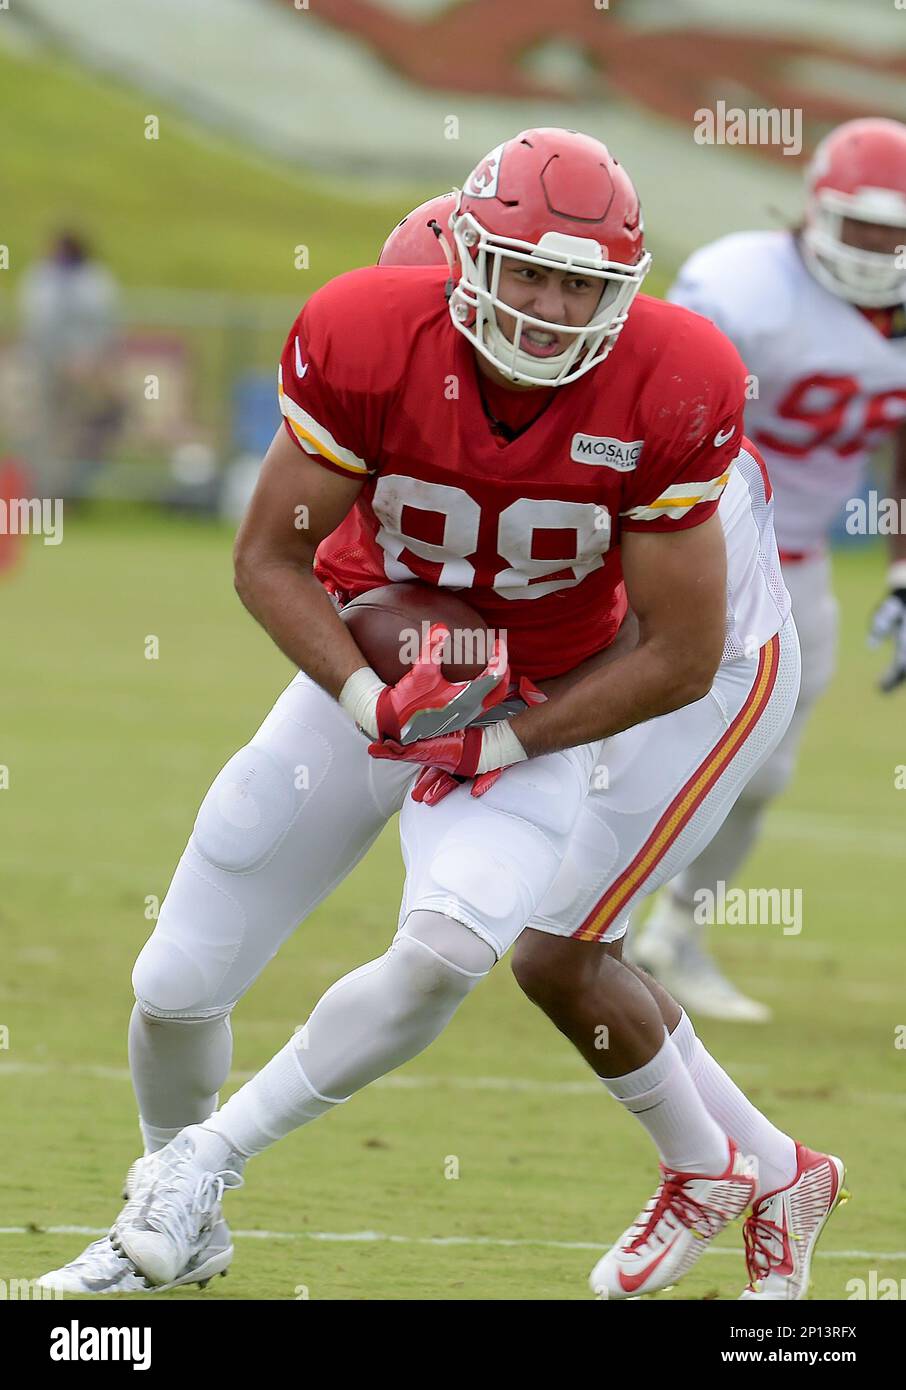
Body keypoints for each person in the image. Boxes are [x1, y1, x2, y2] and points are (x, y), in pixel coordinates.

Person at [39, 129, 839, 1301]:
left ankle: (196, 1170)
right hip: (367, 681)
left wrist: (508, 732)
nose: (547, 313)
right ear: (453, 271)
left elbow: (680, 649)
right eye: (524, 276)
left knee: (470, 949)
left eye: (577, 284)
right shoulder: (369, 337)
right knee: (173, 982)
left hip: (542, 699)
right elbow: (272, 555)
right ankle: (181, 1200)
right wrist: (372, 691)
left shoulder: (673, 384)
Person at [631, 117, 906, 1022]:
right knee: (618, 743)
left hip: (803, 565)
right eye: (862, 225)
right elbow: (655, 416)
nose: (878, 247)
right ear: (815, 211)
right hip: (687, 544)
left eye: (894, 229)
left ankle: (676, 935)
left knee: (765, 773)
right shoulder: (740, 284)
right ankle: (560, 921)